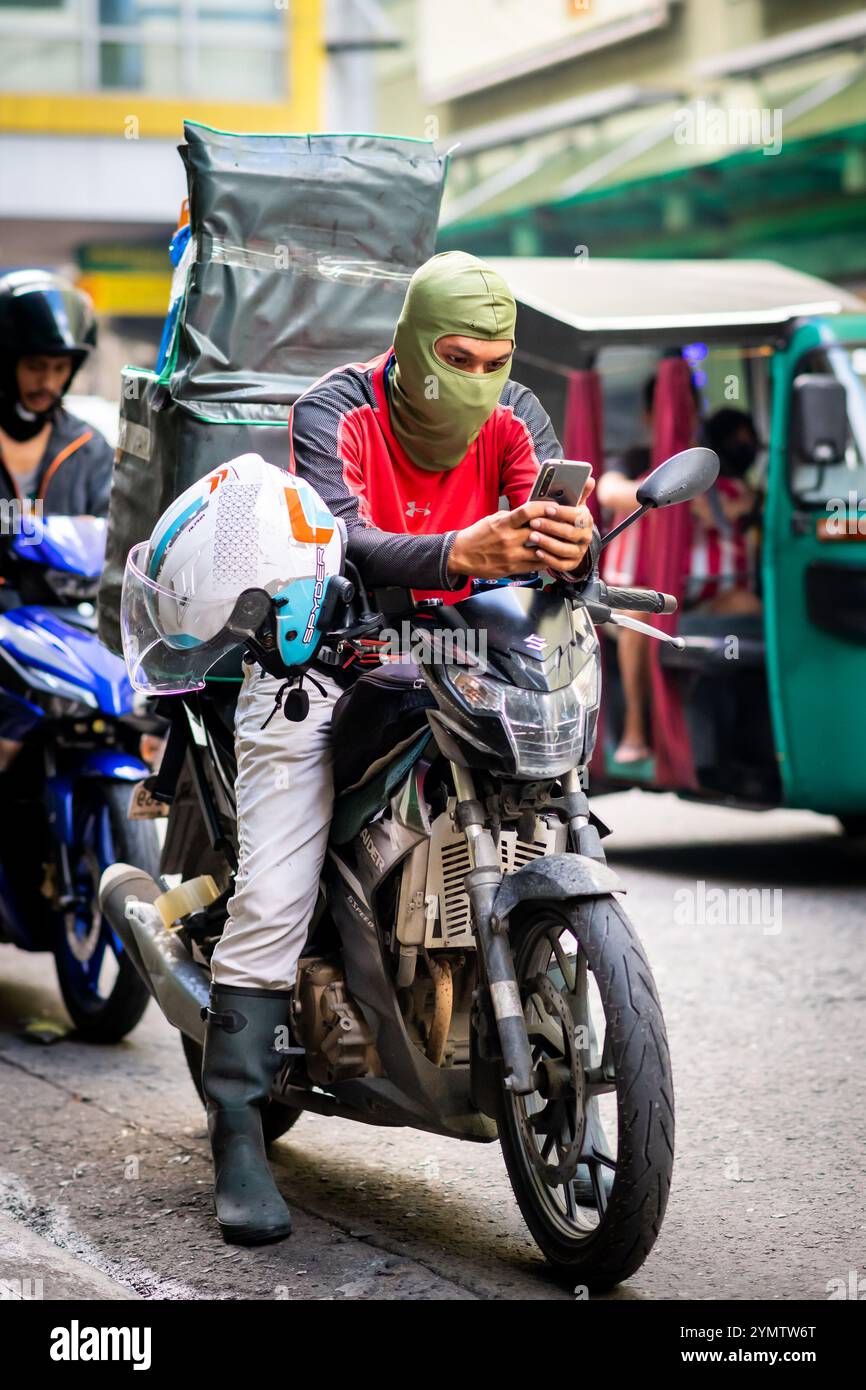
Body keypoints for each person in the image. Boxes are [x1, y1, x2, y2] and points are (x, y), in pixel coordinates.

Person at [200, 250, 598, 1246]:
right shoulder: (333, 409)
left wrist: (569, 542)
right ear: (413, 342)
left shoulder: (515, 419)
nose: (477, 379)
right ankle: (238, 1127)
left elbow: (540, 515)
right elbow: (334, 538)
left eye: (496, 359)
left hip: (460, 659)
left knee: (543, 804)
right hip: (316, 657)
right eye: (456, 356)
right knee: (276, 892)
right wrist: (462, 552)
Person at [0, 269, 115, 771]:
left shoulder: (90, 447)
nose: (47, 381)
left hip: (72, 626)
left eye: (58, 367)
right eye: (33, 365)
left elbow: (119, 531)